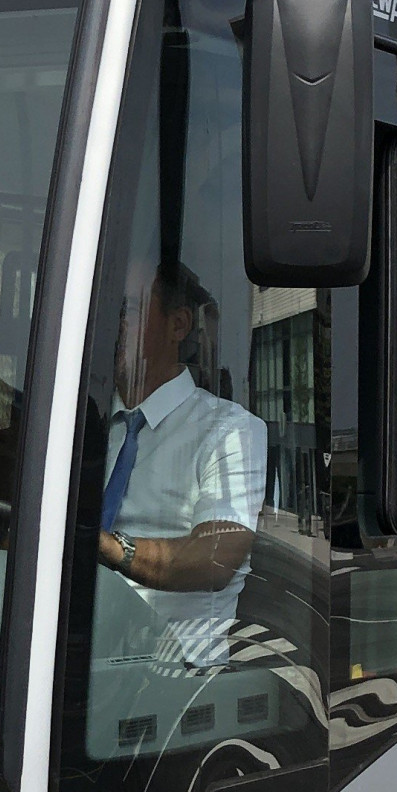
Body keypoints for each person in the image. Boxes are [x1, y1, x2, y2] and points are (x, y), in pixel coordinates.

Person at [96, 257, 267, 664]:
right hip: (73, 654)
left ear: (178, 325)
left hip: (174, 676)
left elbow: (216, 556)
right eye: (108, 310)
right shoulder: (87, 427)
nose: (114, 323)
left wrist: (103, 547)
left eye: (129, 309)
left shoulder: (228, 431)